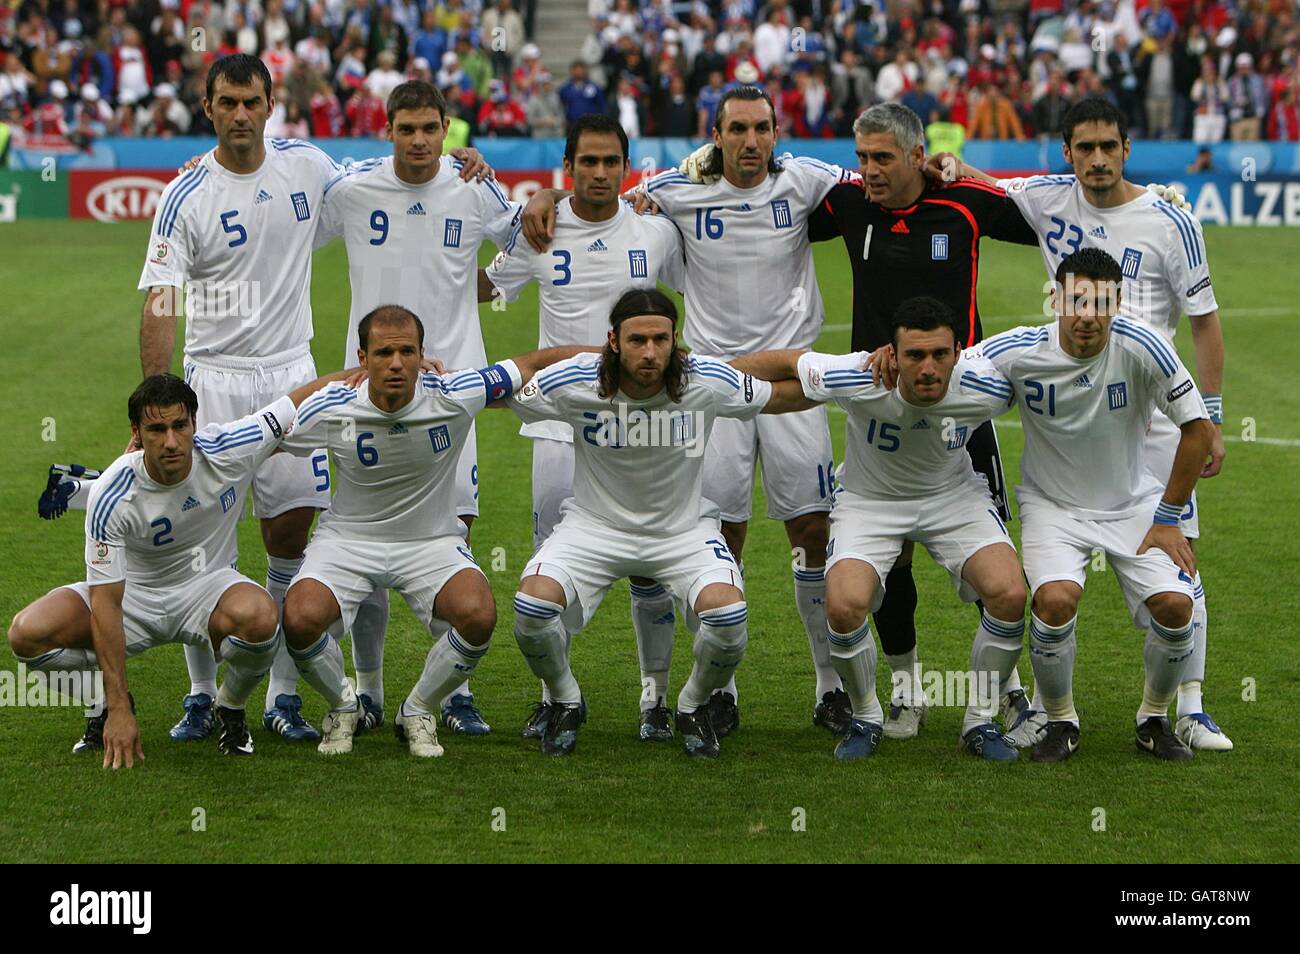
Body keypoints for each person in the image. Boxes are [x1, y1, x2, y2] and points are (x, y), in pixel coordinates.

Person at [39, 56, 491, 745]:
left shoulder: (308, 167)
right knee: (194, 538)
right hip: (213, 377)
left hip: (292, 377)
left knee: (289, 533)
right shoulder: (185, 192)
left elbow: (389, 177)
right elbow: (162, 300)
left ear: (271, 102)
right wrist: (153, 404)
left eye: (252, 101)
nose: (241, 113)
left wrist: (460, 160)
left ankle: (282, 695)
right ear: (208, 105)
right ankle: (200, 694)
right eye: (228, 102)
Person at [952, 97, 1232, 752]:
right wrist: (943, 162)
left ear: (1127, 149)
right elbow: (981, 185)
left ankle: (1186, 706)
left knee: (1180, 565)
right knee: (1062, 590)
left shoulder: (1170, 219)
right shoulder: (1048, 198)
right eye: (1085, 147)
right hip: (1075, 393)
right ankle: (1067, 715)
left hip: (1158, 404)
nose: (1098, 158)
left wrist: (1211, 415)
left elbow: (1205, 320)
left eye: (1109, 145)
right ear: (1067, 152)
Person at [622, 86, 861, 737]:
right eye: (738, 130)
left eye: (762, 128)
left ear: (776, 131)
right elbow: (603, 210)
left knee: (814, 531)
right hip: (714, 389)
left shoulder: (805, 179)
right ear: (717, 133)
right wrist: (555, 202)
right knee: (718, 536)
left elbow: (880, 179)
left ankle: (829, 686)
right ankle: (719, 689)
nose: (751, 141)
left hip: (791, 384)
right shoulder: (677, 188)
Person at [801, 102, 1039, 741]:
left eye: (883, 157)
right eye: (862, 158)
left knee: (994, 568)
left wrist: (968, 169)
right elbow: (768, 201)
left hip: (960, 407)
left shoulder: (960, 203)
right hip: (879, 403)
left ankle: (1004, 693)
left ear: (916, 156)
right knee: (892, 564)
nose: (869, 171)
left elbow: (1045, 217)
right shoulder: (851, 206)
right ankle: (904, 691)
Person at [505, 289, 820, 758]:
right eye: (637, 340)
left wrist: (850, 374)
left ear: (676, 340)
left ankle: (692, 703)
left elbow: (782, 394)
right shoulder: (575, 381)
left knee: (729, 618)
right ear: (612, 341)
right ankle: (567, 698)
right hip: (593, 528)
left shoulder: (707, 380)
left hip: (683, 531)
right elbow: (498, 391)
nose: (649, 352)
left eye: (660, 339)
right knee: (530, 611)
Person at [276, 305, 587, 756]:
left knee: (478, 614)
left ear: (424, 356)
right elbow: (265, 434)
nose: (397, 363)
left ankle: (418, 708)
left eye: (407, 351)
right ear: (362, 358)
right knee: (299, 618)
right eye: (384, 353)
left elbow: (534, 363)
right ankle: (344, 705)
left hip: (431, 542)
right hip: (347, 541)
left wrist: (614, 351)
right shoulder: (334, 404)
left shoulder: (454, 391)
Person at [8, 369, 351, 766]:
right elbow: (105, 602)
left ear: (194, 423)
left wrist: (366, 373)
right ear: (136, 433)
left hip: (207, 589)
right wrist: (120, 708)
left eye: (179, 426)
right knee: (27, 635)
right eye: (156, 429)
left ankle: (230, 706)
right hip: (132, 598)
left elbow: (294, 402)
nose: (171, 441)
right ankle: (102, 703)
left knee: (261, 619)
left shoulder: (227, 447)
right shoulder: (110, 494)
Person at [315, 80, 518, 736]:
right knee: (366, 538)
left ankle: (449, 693)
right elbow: (288, 229)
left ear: (446, 128)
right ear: (389, 128)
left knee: (454, 535)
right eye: (407, 129)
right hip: (368, 392)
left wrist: (484, 289)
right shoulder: (350, 189)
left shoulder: (474, 186)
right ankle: (369, 687)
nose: (420, 140)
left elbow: (531, 239)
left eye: (431, 128)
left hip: (451, 395)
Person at [479, 113, 686, 741]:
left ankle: (654, 700)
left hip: (643, 426)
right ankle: (559, 695)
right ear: (568, 168)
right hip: (557, 425)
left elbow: (691, 305)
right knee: (553, 564)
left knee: (650, 568)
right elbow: (482, 291)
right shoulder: (538, 232)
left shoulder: (657, 233)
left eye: (610, 163)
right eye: (587, 163)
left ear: (627, 168)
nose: (599, 174)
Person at [755, 297, 1028, 761]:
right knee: (843, 606)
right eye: (914, 355)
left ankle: (980, 723)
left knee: (1010, 594)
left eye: (939, 354)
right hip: (870, 502)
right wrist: (700, 372)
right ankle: (866, 715)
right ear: (892, 354)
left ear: (959, 352)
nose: (927, 368)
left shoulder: (985, 383)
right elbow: (785, 363)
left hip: (953, 498)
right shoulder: (859, 374)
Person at [973, 248, 1214, 761]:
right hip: (1052, 507)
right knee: (1055, 601)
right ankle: (1060, 720)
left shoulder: (1144, 346)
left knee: (1177, 608)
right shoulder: (1020, 349)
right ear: (1056, 299)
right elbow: (948, 370)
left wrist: (1169, 517)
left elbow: (1198, 430)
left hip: (1133, 506)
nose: (1087, 314)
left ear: (1117, 302)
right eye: (1076, 300)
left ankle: (1154, 719)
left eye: (1100, 302)